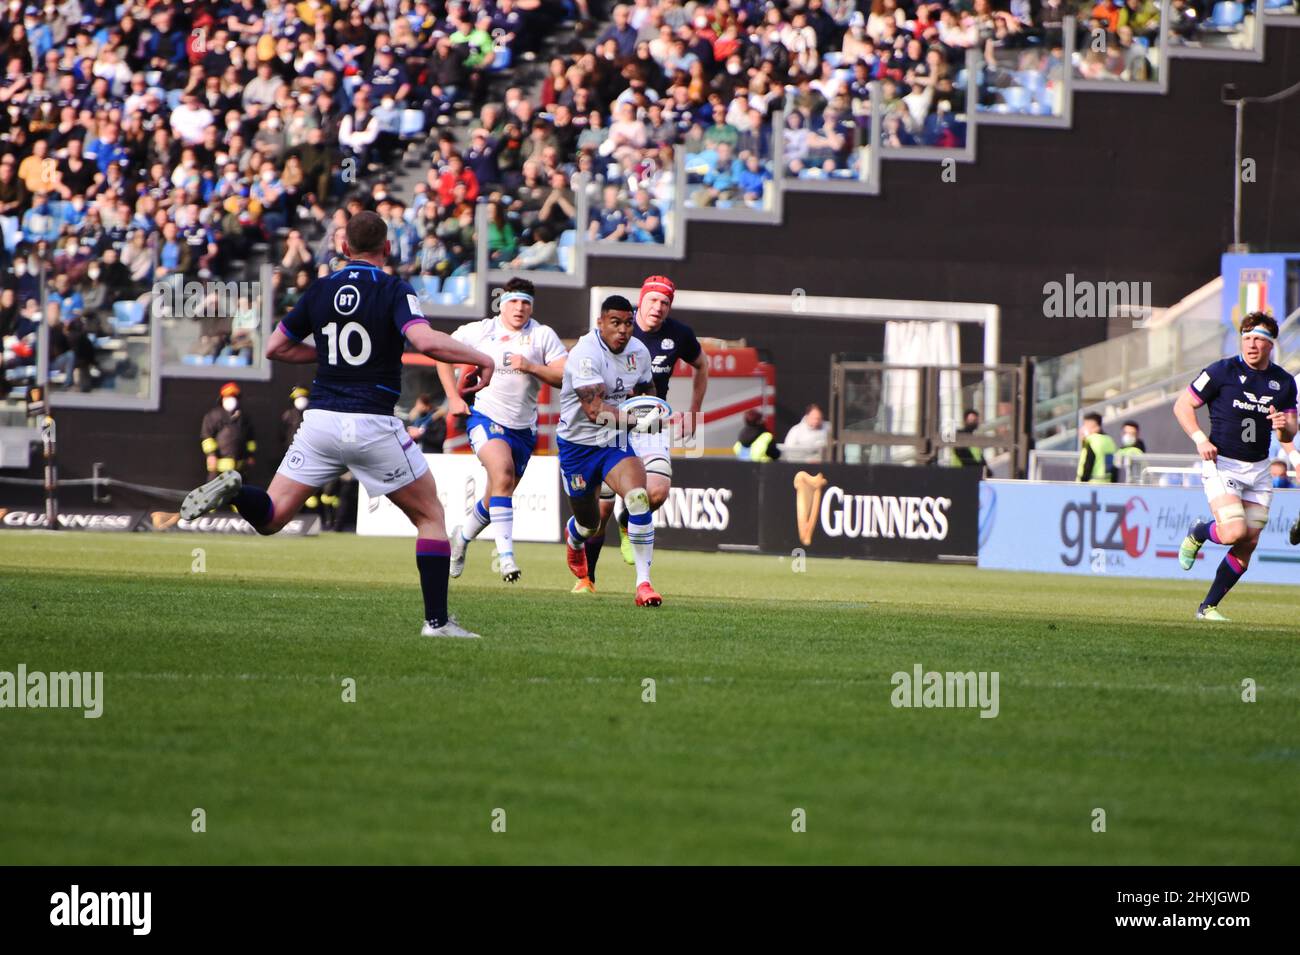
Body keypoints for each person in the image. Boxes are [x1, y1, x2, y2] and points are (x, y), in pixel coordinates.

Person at [179, 212, 497, 639]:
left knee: (271, 517)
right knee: (430, 517)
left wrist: (325, 353)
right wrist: (481, 357)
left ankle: (236, 489)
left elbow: (275, 347)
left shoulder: (321, 289)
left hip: (321, 422)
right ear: (387, 249)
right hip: (372, 422)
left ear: (343, 249)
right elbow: (423, 341)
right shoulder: (394, 289)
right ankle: (436, 623)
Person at [580, 276, 710, 594]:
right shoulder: (618, 329)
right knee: (600, 511)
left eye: (665, 302)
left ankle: (629, 523)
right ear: (641, 301)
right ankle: (587, 578)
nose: (659, 307)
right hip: (611, 422)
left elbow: (702, 364)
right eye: (653, 300)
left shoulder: (679, 334)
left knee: (657, 492)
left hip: (650, 419)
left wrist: (694, 410)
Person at [440, 277, 567, 584]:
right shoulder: (481, 331)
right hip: (485, 417)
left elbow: (565, 376)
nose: (519, 308)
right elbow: (441, 353)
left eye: (526, 302)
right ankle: (505, 557)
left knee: (498, 490)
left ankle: (462, 537)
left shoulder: (542, 335)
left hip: (523, 428)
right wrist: (454, 398)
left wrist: (532, 367)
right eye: (514, 301)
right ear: (502, 303)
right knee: (503, 473)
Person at [1175, 312, 1297, 621]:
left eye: (1258, 339)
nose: (1251, 344)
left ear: (1271, 344)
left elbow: (1289, 431)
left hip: (1258, 470)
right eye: (1246, 338)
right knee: (1233, 531)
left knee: (1249, 542)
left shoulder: (1283, 382)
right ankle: (1199, 531)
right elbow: (1183, 405)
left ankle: (1207, 608)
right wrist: (1200, 438)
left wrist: (1284, 427)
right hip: (1223, 464)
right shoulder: (1221, 371)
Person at [557, 294, 663, 607]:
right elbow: (594, 411)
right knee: (589, 523)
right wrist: (639, 421)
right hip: (577, 445)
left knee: (638, 497)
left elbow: (647, 389)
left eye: (628, 323)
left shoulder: (639, 352)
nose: (623, 330)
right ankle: (574, 537)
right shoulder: (585, 354)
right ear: (600, 323)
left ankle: (644, 585)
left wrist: (652, 408)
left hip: (613, 440)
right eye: (615, 323)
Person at [200, 381, 256, 480]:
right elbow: (207, 438)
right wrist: (211, 455)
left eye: (234, 397)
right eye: (228, 397)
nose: (231, 400)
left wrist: (250, 455)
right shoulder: (213, 416)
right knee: (215, 492)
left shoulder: (244, 417)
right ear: (222, 399)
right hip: (218, 469)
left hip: (240, 468)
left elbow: (250, 439)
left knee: (241, 493)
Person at [1075, 412, 1117, 483]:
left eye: (1087, 426)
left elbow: (1088, 465)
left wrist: (1082, 482)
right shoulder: (1109, 440)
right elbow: (1114, 465)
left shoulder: (1091, 440)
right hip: (1107, 483)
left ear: (1097, 427)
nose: (1083, 429)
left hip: (1091, 484)